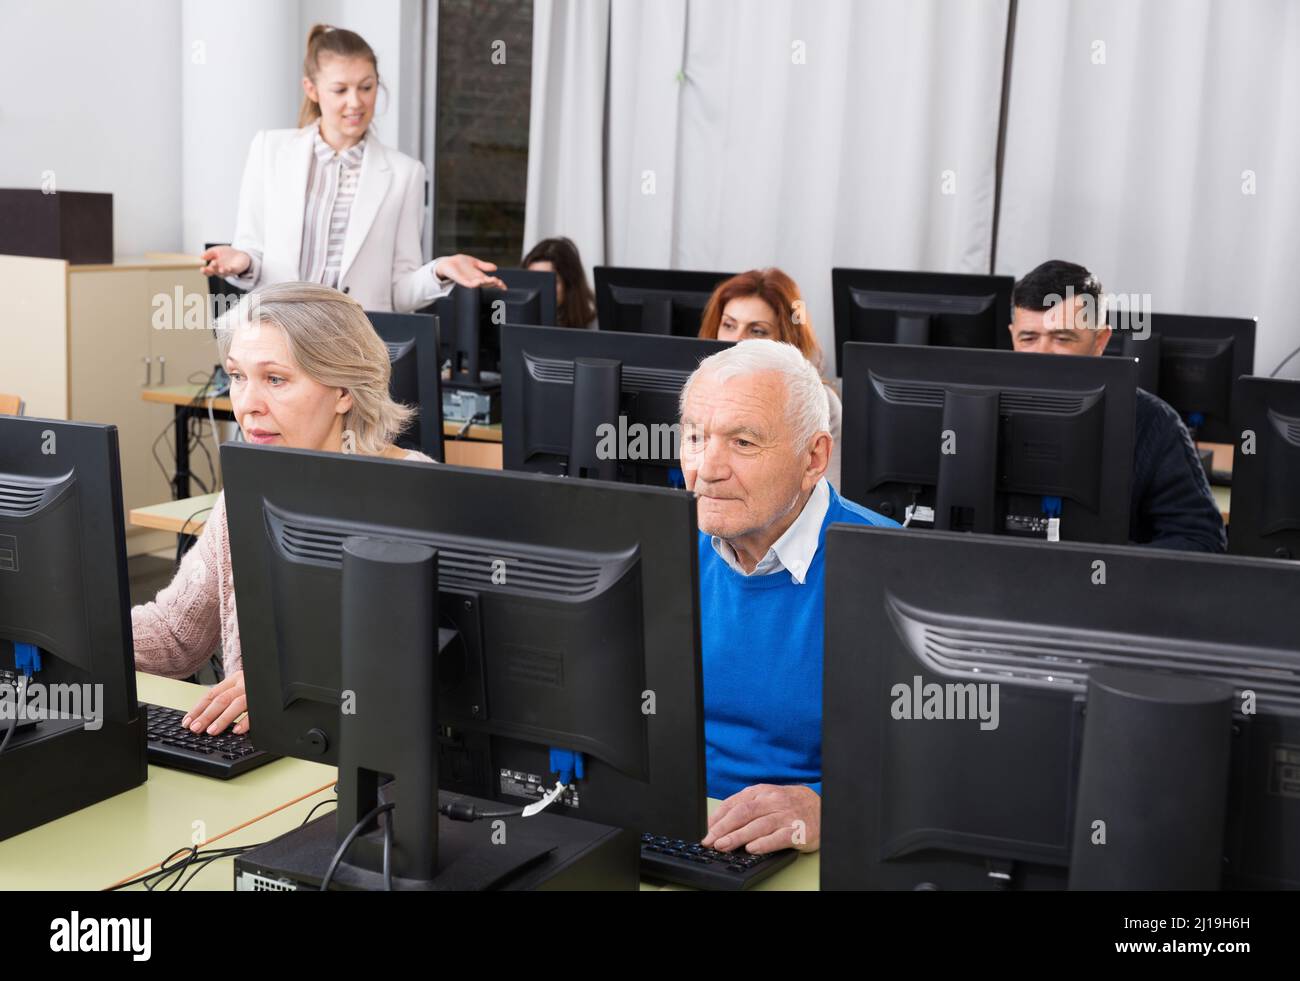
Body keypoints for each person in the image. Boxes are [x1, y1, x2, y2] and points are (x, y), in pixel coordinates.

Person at [132, 283, 436, 735]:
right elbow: (176, 635)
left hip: (367, 770)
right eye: (237, 377)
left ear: (343, 392)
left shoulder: (416, 497)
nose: (247, 405)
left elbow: (424, 673)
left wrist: (298, 689)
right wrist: (67, 628)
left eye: (275, 379)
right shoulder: (250, 490)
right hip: (260, 751)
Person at [678, 340, 899, 855]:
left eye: (743, 443)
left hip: (812, 848)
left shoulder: (887, 563)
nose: (707, 468)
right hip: (679, 831)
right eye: (695, 436)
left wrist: (831, 805)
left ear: (813, 458)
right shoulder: (663, 544)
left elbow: (946, 762)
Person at [200, 24, 504, 312]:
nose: (356, 102)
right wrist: (240, 261)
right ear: (312, 89)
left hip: (354, 347)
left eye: (366, 87)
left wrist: (438, 271)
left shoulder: (405, 174)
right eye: (340, 90)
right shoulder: (270, 150)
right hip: (280, 334)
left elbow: (399, 292)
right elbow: (252, 255)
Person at [1010, 260, 1226, 551]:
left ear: (1100, 341)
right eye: (1029, 338)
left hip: (1108, 588)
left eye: (1062, 338)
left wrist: (1112, 565)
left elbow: (1201, 541)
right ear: (1012, 335)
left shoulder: (1154, 423)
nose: (1043, 354)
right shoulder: (971, 413)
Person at [698, 269, 843, 489]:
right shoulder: (695, 392)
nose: (737, 341)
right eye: (729, 325)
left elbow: (832, 494)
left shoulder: (819, 401)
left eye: (757, 331)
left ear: (785, 339)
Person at [523, 236, 597, 328]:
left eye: (548, 282)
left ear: (569, 284)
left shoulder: (594, 325)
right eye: (532, 280)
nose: (538, 290)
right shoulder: (520, 322)